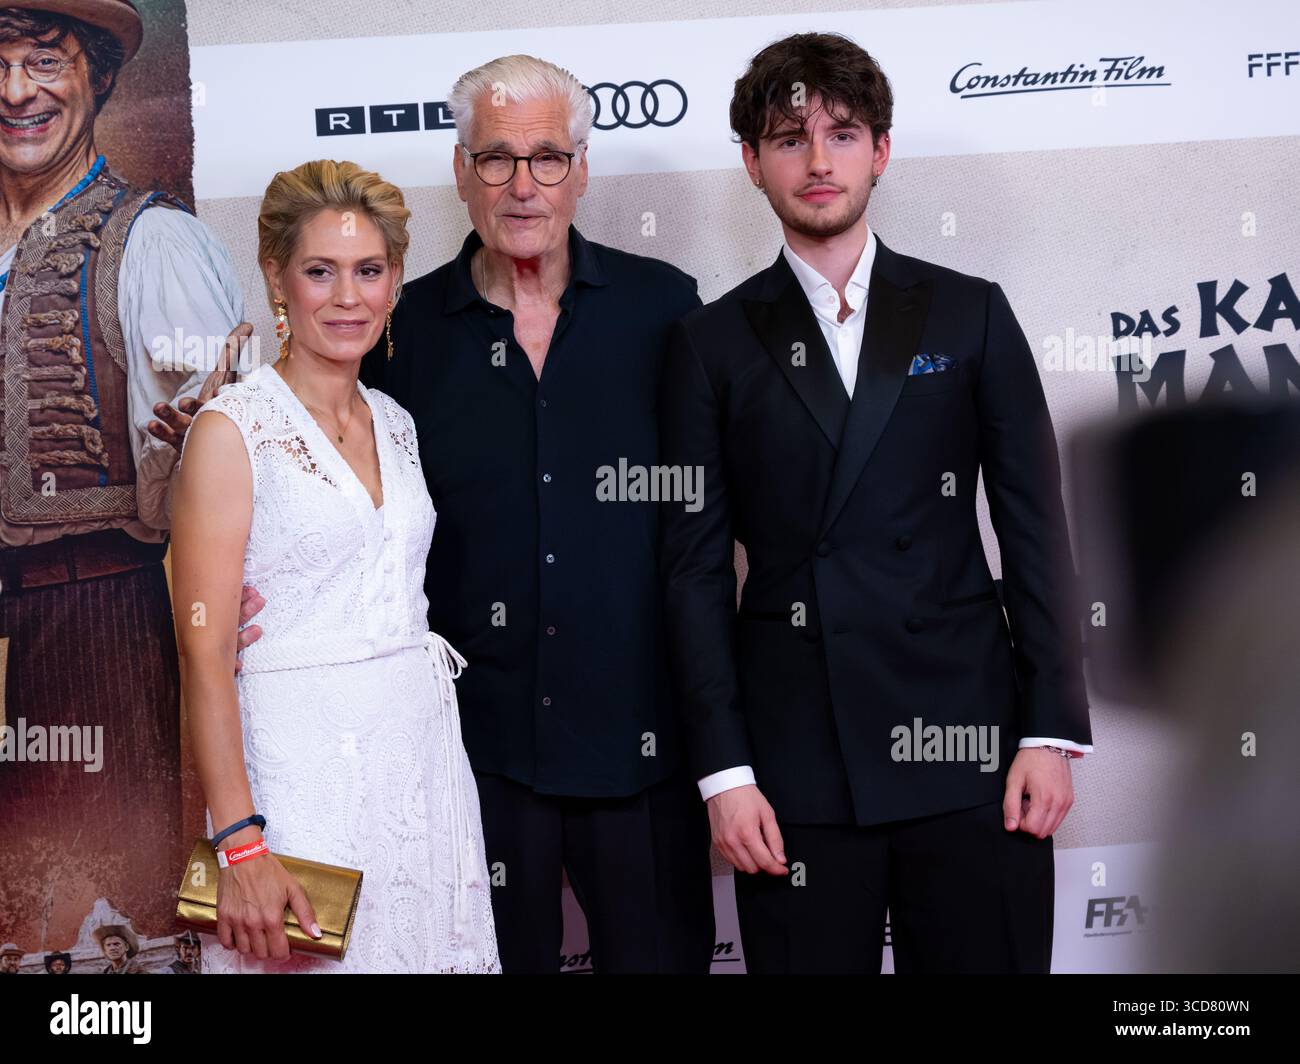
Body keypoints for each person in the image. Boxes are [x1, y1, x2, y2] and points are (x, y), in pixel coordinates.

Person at [659, 32, 1093, 974]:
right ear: (751, 162)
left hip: (976, 753)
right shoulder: (711, 343)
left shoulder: (969, 311)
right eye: (789, 139)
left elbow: (1035, 527)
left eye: (844, 134)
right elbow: (692, 570)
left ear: (881, 150)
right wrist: (725, 774)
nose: (819, 162)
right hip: (796, 769)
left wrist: (1050, 730)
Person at [350, 55, 715, 973]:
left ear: (582, 169)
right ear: (462, 171)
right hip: (476, 755)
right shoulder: (402, 329)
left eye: (548, 156)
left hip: (641, 742)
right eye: (497, 158)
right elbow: (348, 504)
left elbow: (708, 518)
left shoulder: (664, 308)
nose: (524, 185)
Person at [171, 159, 499, 974]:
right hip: (298, 774)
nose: (347, 296)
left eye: (368, 271)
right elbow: (204, 653)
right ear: (277, 278)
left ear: (393, 283)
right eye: (320, 271)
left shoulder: (395, 420)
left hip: (419, 763)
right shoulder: (231, 428)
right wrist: (240, 843)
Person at [0, 0, 244, 941]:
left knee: (104, 926)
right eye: (0, 62)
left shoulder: (154, 242)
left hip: (101, 619)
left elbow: (231, 474)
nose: (17, 90)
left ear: (99, 75)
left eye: (45, 61)